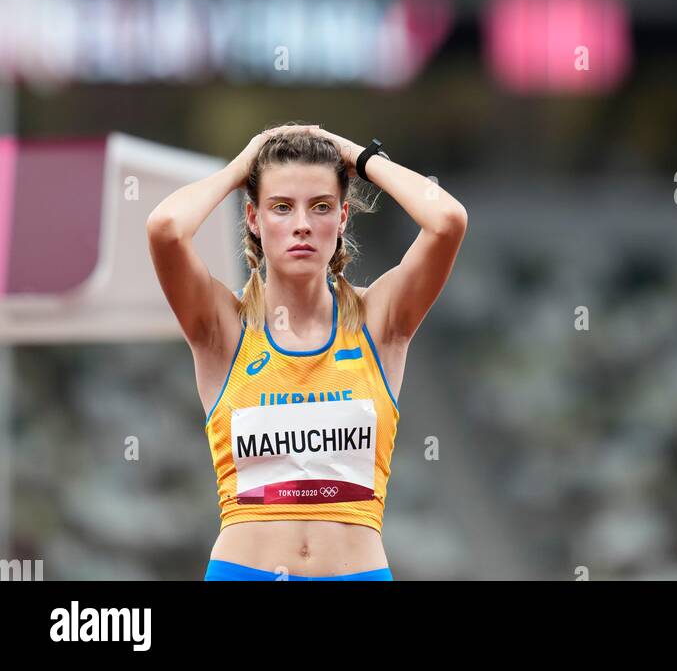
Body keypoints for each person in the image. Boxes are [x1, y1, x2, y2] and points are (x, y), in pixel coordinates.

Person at [147, 122, 468, 580]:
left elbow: (447, 220)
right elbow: (165, 228)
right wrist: (244, 164)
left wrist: (358, 157)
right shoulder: (223, 331)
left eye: (320, 206)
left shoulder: (380, 324)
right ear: (253, 219)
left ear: (341, 219)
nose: (301, 225)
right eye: (281, 207)